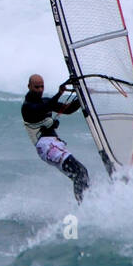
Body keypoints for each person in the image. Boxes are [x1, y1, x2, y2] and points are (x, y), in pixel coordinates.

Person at [22, 74, 91, 203]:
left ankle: (86, 204)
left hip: (54, 145)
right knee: (80, 173)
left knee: (81, 173)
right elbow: (42, 108)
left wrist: (83, 97)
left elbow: (68, 109)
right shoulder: (27, 106)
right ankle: (85, 206)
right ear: (29, 86)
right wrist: (60, 93)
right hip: (46, 147)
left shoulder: (46, 101)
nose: (40, 89)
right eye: (36, 87)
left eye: (42, 86)